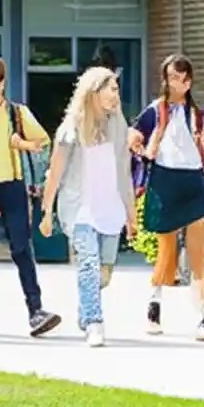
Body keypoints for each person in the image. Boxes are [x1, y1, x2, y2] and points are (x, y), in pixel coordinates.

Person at [0, 55, 62, 338]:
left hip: (14, 186)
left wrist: (22, 143)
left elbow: (44, 142)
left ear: (2, 82)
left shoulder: (18, 113)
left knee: (22, 249)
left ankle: (36, 311)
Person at [40, 67, 137, 347]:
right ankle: (94, 321)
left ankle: (85, 312)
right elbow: (55, 171)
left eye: (117, 90)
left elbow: (124, 170)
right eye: (112, 89)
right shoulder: (70, 129)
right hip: (80, 208)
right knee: (89, 265)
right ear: (94, 91)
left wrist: (130, 214)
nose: (116, 95)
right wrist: (47, 211)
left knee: (103, 273)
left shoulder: (118, 125)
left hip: (110, 207)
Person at [132, 55, 204, 341]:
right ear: (165, 79)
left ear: (190, 80)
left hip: (192, 180)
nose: (179, 82)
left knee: (197, 252)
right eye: (174, 77)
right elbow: (134, 135)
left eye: (184, 77)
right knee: (166, 252)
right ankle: (154, 304)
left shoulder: (198, 114)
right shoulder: (156, 110)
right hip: (165, 180)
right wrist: (144, 148)